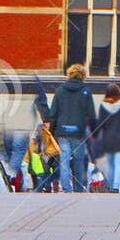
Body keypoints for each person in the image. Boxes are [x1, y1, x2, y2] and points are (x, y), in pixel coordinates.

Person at [34, 64, 96, 193]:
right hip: (78, 132)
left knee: (64, 161)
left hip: (62, 131)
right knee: (79, 161)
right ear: (83, 75)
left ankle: (67, 188)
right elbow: (91, 114)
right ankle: (78, 188)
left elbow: (54, 113)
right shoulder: (86, 92)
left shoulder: (60, 90)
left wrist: (52, 132)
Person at [25, 123, 59, 192]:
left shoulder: (40, 133)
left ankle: (46, 187)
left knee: (43, 175)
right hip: (41, 158)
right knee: (45, 173)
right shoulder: (43, 133)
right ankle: (47, 187)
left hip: (40, 159)